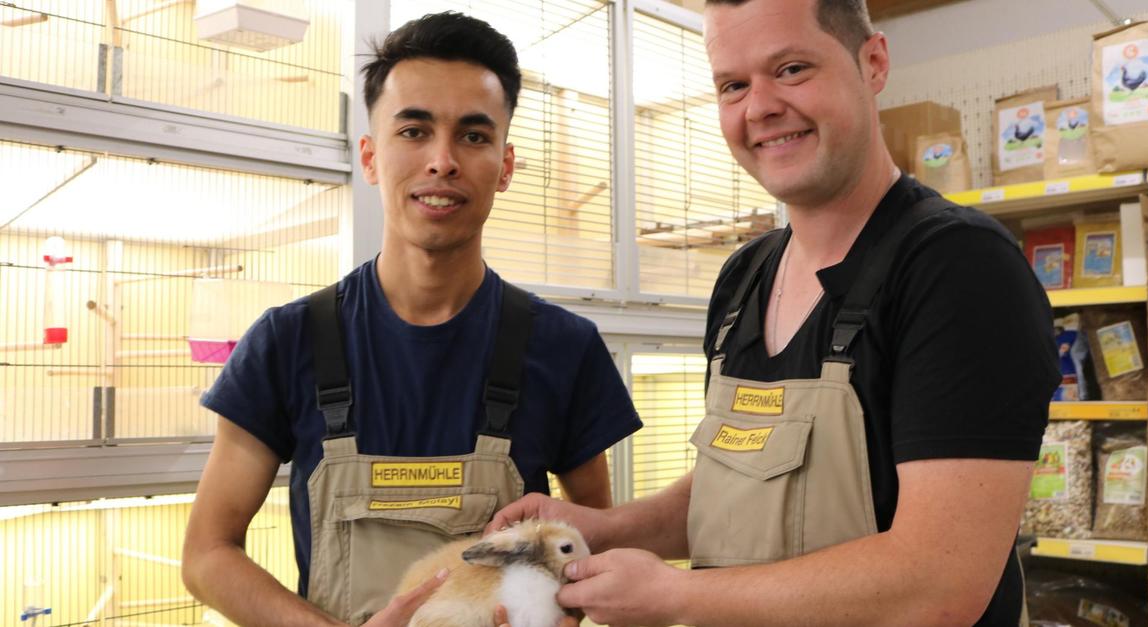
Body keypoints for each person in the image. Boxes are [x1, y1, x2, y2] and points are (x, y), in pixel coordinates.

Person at [488, 0, 1059, 625]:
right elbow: (739, 494)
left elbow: (940, 582)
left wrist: (677, 595)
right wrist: (602, 528)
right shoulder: (744, 278)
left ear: (872, 63)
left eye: (790, 69)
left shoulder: (959, 268)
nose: (759, 107)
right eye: (733, 85)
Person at [181, 12, 640, 627]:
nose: (442, 161)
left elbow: (592, 549)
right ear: (370, 157)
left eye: (473, 136)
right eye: (414, 131)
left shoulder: (565, 346)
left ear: (505, 166)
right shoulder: (286, 341)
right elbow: (207, 554)